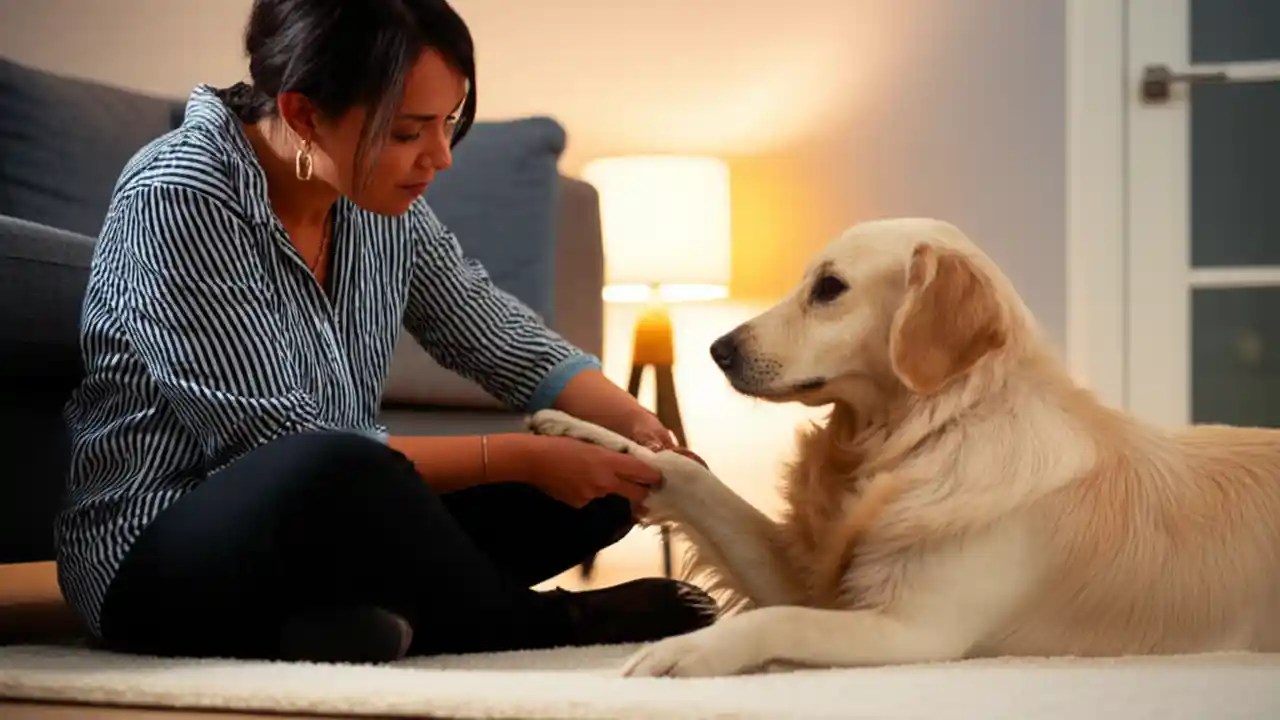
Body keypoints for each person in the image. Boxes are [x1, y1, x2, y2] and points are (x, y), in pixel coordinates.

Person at [55, 0, 717, 664]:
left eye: (447, 124)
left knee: (607, 485)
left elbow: (492, 330)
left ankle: (360, 624)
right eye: (408, 132)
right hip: (156, 553)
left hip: (342, 522)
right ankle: (535, 621)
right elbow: (278, 445)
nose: (439, 158)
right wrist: (522, 456)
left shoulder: (372, 200)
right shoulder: (180, 195)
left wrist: (640, 432)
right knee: (335, 462)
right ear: (303, 114)